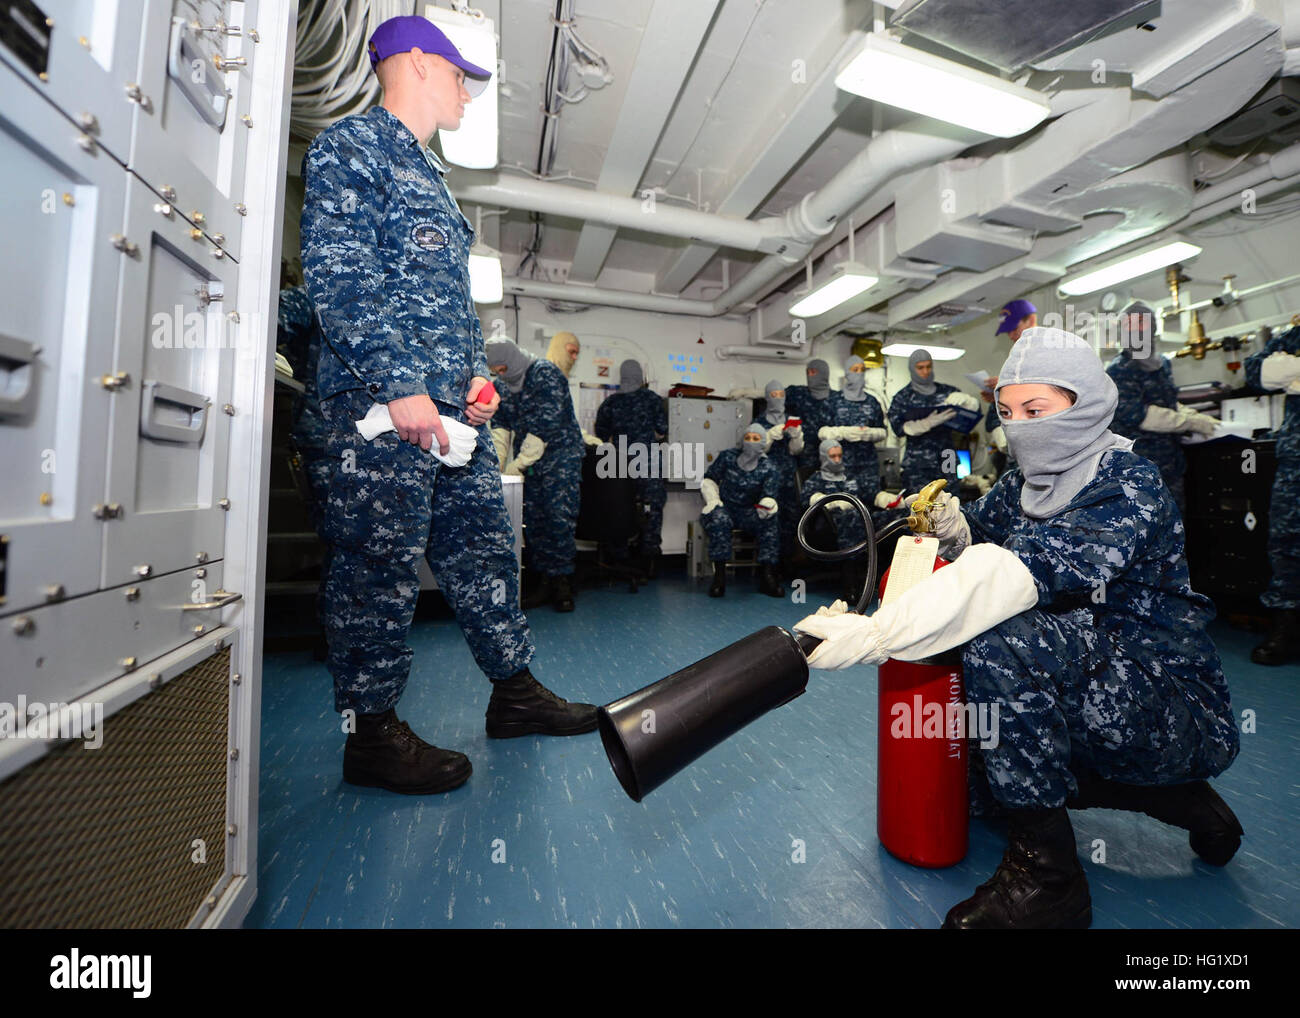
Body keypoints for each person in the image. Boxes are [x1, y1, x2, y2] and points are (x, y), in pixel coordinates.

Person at [795, 328, 1242, 929]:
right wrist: (957, 527)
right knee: (982, 789)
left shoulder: (1125, 483)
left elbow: (1011, 574)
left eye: (1037, 410)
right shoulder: (1026, 483)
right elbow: (985, 537)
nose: (1021, 426)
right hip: (1098, 690)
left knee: (1001, 640)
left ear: (1084, 403)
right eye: (1008, 412)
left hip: (1171, 706)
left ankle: (1050, 881)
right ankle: (1162, 793)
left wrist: (880, 634)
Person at [300, 15, 596, 796]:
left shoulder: (432, 178)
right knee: (379, 568)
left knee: (484, 552)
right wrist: (401, 384)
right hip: (380, 415)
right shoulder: (351, 150)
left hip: (450, 421)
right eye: (460, 74)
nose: (466, 90)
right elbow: (341, 277)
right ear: (419, 63)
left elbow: (448, 307)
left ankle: (516, 693)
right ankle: (371, 735)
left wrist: (473, 377)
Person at [487, 337, 584, 612]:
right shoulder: (500, 386)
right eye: (496, 370)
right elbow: (501, 429)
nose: (501, 375)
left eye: (504, 368)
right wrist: (499, 468)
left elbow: (544, 427)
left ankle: (563, 583)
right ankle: (544, 582)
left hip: (560, 456)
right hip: (530, 459)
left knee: (558, 516)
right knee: (535, 519)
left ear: (513, 359)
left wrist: (515, 466)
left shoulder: (545, 374)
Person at [1106, 300, 1216, 514]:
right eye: (1129, 324)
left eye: (1141, 323)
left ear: (1153, 326)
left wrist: (1196, 416)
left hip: (1171, 465)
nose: (1136, 329)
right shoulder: (1119, 370)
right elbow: (1140, 415)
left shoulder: (1162, 364)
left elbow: (1169, 403)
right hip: (1139, 468)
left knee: (1175, 528)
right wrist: (1190, 422)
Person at [1243, 324, 1300, 664]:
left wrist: (1289, 370)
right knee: (1287, 543)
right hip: (1296, 456)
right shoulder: (1296, 335)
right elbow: (1255, 371)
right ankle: (1287, 627)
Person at [594, 360, 669, 576]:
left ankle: (619, 557)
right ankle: (649, 559)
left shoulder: (611, 403)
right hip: (649, 462)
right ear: (641, 376)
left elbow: (600, 437)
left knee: (619, 507)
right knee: (652, 509)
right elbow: (662, 431)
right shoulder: (653, 400)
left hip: (618, 463)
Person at [699, 422, 784, 598]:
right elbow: (709, 479)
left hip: (750, 511)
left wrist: (767, 506)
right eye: (747, 438)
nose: (750, 442)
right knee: (718, 519)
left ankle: (767, 575)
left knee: (771, 520)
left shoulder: (769, 467)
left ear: (762, 443)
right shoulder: (727, 457)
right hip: (726, 508)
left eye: (755, 438)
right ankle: (719, 576)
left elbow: (769, 494)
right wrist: (713, 499)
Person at [887, 349, 979, 493]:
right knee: (920, 507)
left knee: (951, 503)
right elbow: (898, 428)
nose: (925, 371)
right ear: (912, 368)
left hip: (947, 457)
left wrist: (969, 402)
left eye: (928, 366)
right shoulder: (903, 397)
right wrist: (926, 423)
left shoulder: (947, 391)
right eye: (920, 367)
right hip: (918, 463)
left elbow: (971, 416)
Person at [803, 438, 869, 603]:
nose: (837, 460)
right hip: (827, 525)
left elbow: (868, 496)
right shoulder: (816, 479)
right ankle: (850, 583)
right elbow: (807, 500)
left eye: (840, 456)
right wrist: (830, 502)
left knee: (894, 517)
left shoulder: (851, 477)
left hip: (859, 521)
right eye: (833, 456)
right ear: (824, 457)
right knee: (850, 518)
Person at [821, 355, 888, 506]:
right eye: (855, 370)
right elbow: (822, 432)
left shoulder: (872, 401)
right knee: (845, 507)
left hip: (868, 464)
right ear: (846, 373)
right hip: (841, 464)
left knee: (870, 505)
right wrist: (843, 432)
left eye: (862, 370)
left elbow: (883, 432)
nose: (859, 374)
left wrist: (869, 434)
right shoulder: (833, 400)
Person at [982, 299, 1037, 474]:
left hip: (1037, 456)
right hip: (1016, 460)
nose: (1012, 336)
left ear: (1031, 320)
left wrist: (1011, 387)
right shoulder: (1016, 359)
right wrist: (999, 397)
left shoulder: (1050, 354)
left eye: (1014, 329)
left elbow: (1050, 397)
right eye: (1008, 332)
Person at [756, 379, 805, 572]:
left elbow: (797, 450)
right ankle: (769, 566)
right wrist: (767, 437)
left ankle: (787, 564)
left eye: (781, 395)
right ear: (768, 397)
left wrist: (796, 435)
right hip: (767, 479)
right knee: (770, 519)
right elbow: (753, 450)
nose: (778, 399)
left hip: (789, 478)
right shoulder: (759, 422)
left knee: (791, 520)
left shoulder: (791, 419)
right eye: (773, 395)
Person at [786, 359, 836, 475]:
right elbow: (775, 397)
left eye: (813, 372)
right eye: (808, 372)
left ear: (823, 374)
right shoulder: (798, 394)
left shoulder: (837, 400)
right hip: (803, 457)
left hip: (829, 457)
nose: (810, 376)